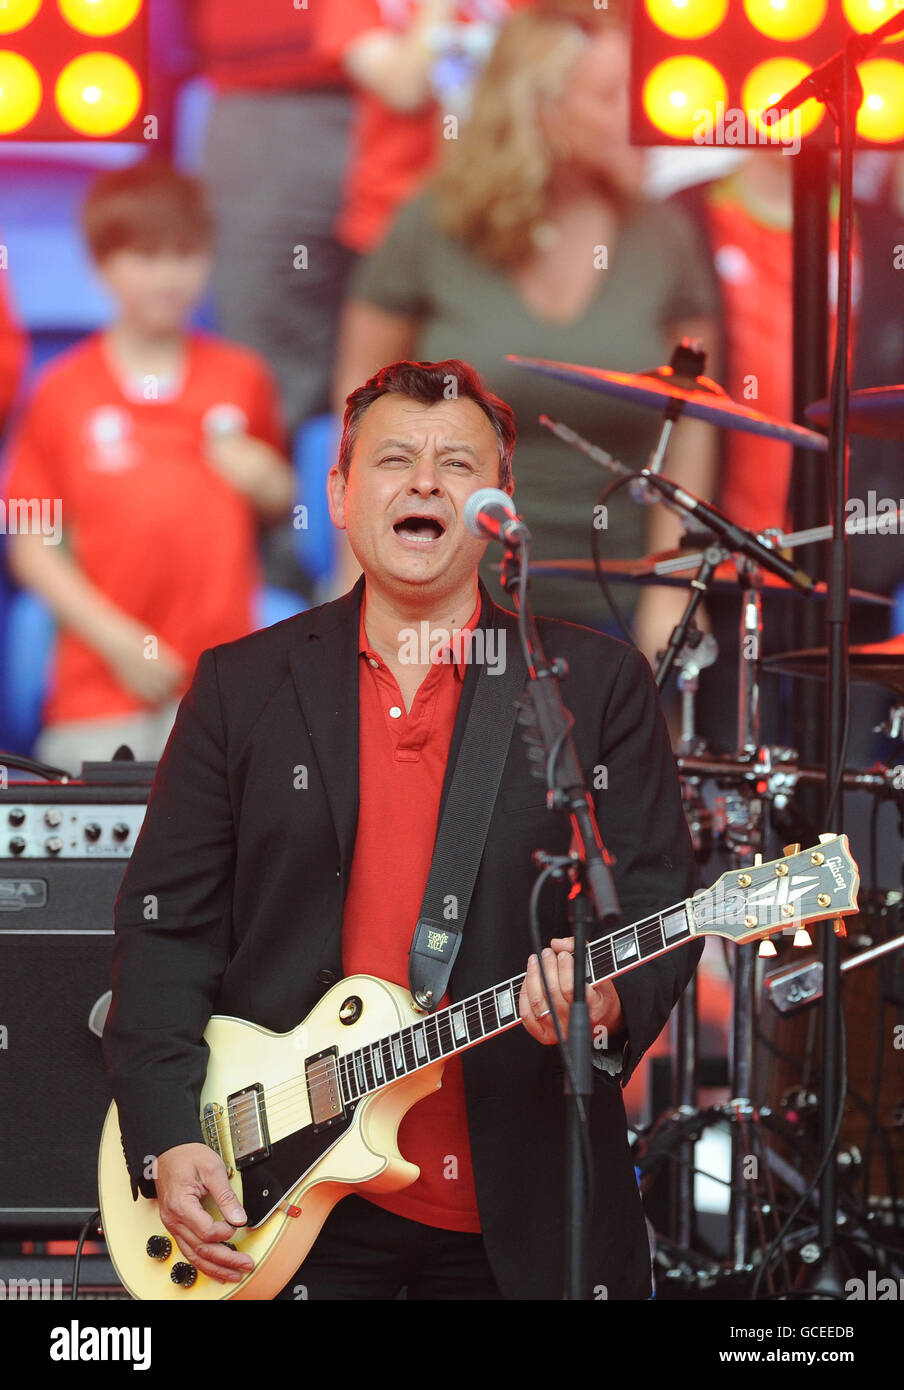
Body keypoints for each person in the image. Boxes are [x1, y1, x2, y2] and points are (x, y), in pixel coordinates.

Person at [102, 358, 703, 1300]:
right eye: (394, 459)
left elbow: (661, 898)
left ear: (499, 506)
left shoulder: (593, 686)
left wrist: (608, 1000)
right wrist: (169, 1134)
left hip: (521, 1214)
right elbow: (165, 928)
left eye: (459, 465)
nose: (425, 480)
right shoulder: (240, 687)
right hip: (292, 1205)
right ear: (338, 496)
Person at [332, 7, 720, 664]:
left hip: (615, 602)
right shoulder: (434, 223)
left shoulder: (663, 235)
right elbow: (356, 398)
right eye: (607, 97)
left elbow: (697, 422)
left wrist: (675, 582)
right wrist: (359, 573)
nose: (637, 116)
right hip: (446, 595)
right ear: (539, 105)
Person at [2, 160, 292, 770]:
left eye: (185, 255)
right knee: (103, 855)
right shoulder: (63, 390)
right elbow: (31, 547)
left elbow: (285, 504)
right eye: (145, 255)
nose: (167, 276)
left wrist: (266, 480)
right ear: (103, 265)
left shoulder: (241, 377)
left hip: (227, 690)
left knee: (238, 851)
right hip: (100, 693)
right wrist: (120, 643)